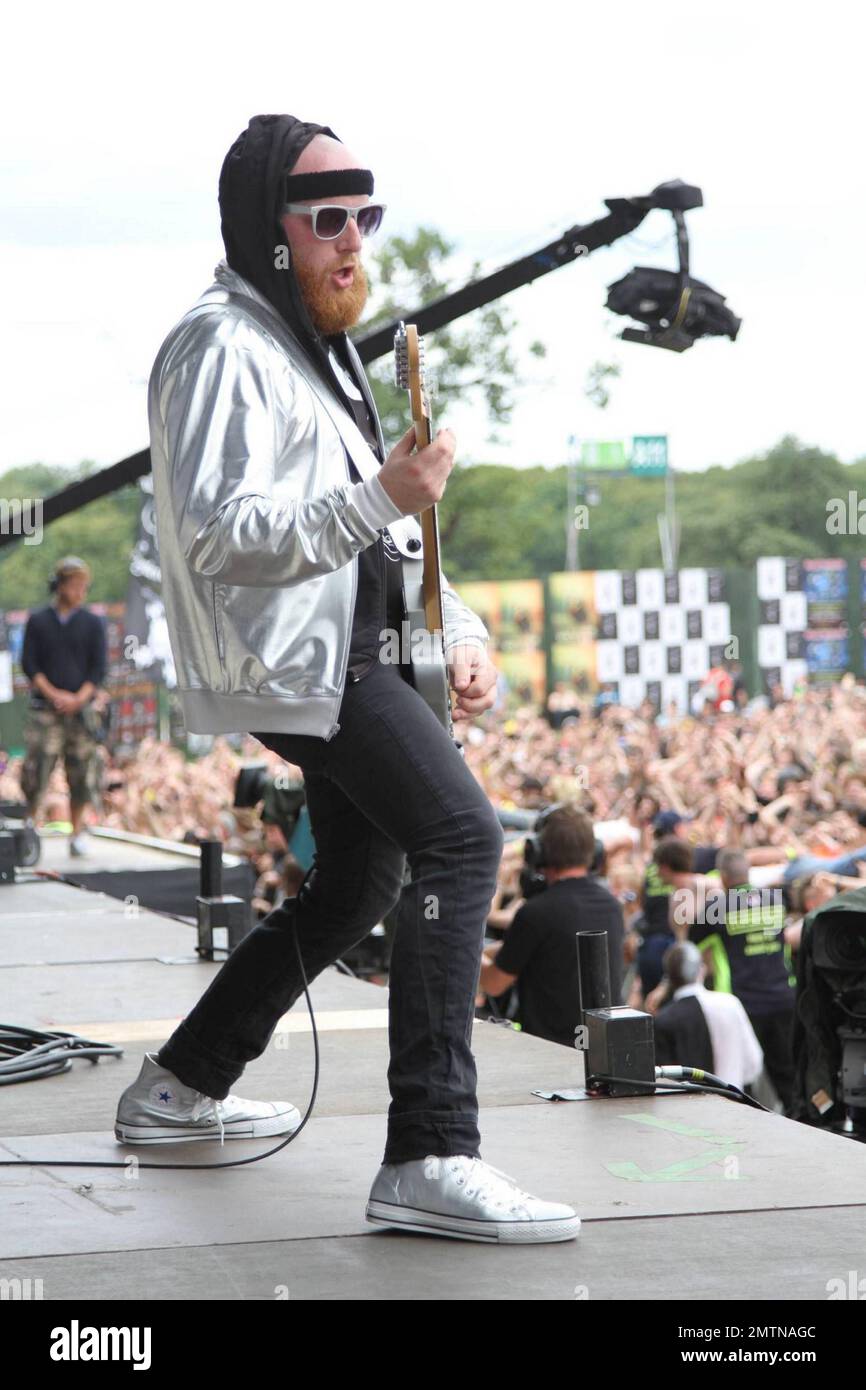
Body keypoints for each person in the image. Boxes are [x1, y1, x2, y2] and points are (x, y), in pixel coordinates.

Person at [115, 113, 579, 1245]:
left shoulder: (312, 350)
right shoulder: (219, 345)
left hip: (359, 652)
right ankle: (429, 1149)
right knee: (464, 838)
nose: (353, 243)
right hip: (306, 665)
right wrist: (382, 492)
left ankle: (180, 1083)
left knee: (358, 881)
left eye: (364, 217)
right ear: (265, 230)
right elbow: (223, 533)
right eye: (327, 219)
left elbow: (391, 544)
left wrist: (457, 626)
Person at [478, 805, 624, 1048]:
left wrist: (468, 952)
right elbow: (555, 949)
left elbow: (494, 983)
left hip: (550, 1052)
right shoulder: (611, 905)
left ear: (538, 852)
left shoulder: (536, 912)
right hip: (601, 1052)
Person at [676, 848, 797, 1112]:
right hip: (783, 997)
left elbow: (690, 946)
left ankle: (747, 1130)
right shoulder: (776, 899)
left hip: (742, 1004)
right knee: (787, 1072)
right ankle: (803, 1126)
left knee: (741, 1075)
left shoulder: (717, 907)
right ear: (747, 873)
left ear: (723, 877)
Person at [19, 556, 108, 855]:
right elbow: (29, 664)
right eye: (76, 584)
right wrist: (53, 693)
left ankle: (77, 830)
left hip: (80, 710)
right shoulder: (39, 620)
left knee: (83, 770)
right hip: (46, 707)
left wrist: (78, 698)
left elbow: (99, 668)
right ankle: (31, 828)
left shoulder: (92, 623)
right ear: (62, 586)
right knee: (38, 767)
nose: (82, 590)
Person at [652, 942, 764, 1092]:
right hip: (734, 1103)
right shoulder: (730, 1004)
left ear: (670, 978)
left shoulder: (664, 1020)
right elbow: (753, 1063)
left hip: (687, 1109)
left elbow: (663, 1080)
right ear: (701, 970)